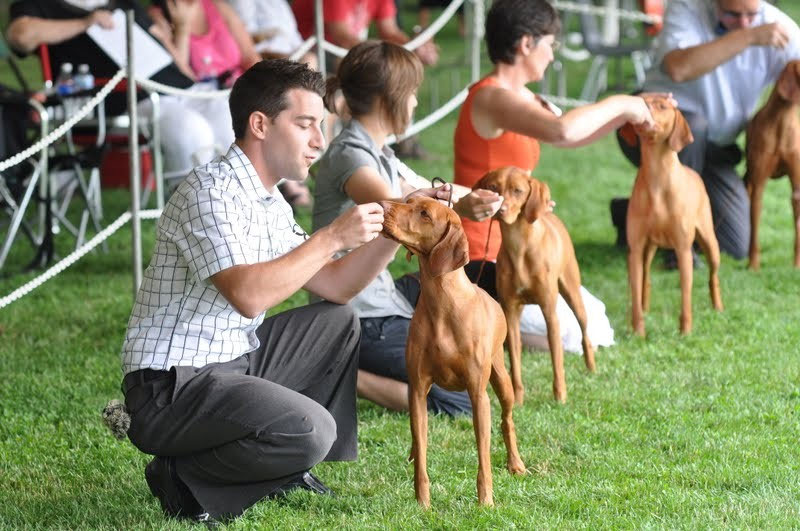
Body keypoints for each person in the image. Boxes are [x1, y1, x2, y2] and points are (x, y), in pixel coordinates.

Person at [119, 59, 402, 523]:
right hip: (169, 386)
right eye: (306, 124)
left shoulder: (270, 200)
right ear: (260, 125)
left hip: (231, 362)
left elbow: (335, 286)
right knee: (313, 431)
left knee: (337, 320)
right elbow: (247, 294)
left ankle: (285, 468)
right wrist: (330, 237)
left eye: (322, 127)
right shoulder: (209, 190)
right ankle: (182, 476)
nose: (319, 141)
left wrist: (393, 233)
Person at [453, 0, 657, 351]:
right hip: (481, 260)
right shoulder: (491, 98)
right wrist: (624, 103)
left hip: (520, 251)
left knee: (595, 321)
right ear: (526, 44)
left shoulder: (522, 98)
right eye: (550, 43)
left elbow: (571, 137)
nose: (552, 55)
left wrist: (635, 111)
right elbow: (563, 130)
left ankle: (496, 329)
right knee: (583, 335)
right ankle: (490, 330)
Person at [313, 40, 504, 415]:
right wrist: (455, 203)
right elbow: (396, 206)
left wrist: (477, 199)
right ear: (392, 99)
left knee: (486, 286)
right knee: (461, 397)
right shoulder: (352, 156)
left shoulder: (380, 152)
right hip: (359, 316)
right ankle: (335, 372)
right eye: (413, 93)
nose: (416, 103)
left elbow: (424, 191)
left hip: (382, 299)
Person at [612, 0, 800, 260]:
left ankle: (633, 214)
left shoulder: (779, 27)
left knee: (735, 244)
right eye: (734, 15)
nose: (744, 22)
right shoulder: (685, 9)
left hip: (717, 147)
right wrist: (748, 37)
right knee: (693, 126)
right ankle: (676, 252)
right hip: (656, 132)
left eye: (751, 15)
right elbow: (678, 68)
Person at [4, 0, 240, 180]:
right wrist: (86, 23)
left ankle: (247, 212)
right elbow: (20, 35)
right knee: (191, 131)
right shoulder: (42, 5)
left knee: (233, 120)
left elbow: (178, 62)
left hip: (182, 88)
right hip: (128, 97)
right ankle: (199, 216)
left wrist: (179, 35)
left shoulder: (125, 3)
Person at [228, 0, 318, 67]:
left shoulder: (280, 3)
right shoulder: (242, 2)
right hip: (264, 57)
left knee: (310, 59)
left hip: (291, 57)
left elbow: (295, 39)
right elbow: (246, 37)